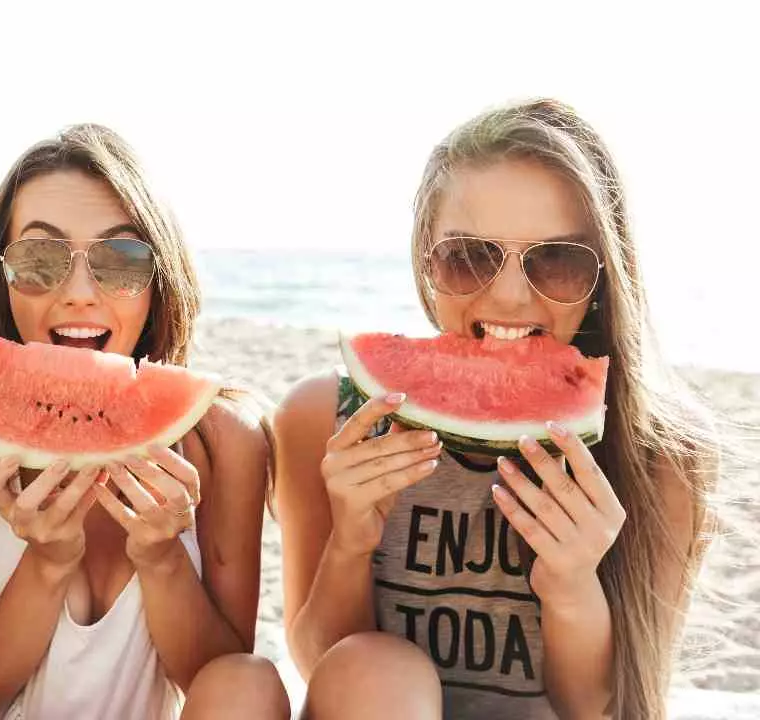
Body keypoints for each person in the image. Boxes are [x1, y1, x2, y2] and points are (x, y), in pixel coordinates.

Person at [275, 98, 718, 719]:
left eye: (558, 262)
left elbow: (601, 708)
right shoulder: (325, 418)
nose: (509, 297)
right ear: (424, 259)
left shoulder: (663, 457)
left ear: (603, 277)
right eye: (469, 257)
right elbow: (323, 663)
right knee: (376, 669)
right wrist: (351, 541)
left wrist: (569, 585)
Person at [0, 124, 289, 719]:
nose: (80, 293)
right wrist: (48, 563)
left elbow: (220, 685)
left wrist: (160, 557)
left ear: (159, 279)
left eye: (122, 258)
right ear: (0, 276)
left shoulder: (222, 440)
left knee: (251, 679)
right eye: (39, 257)